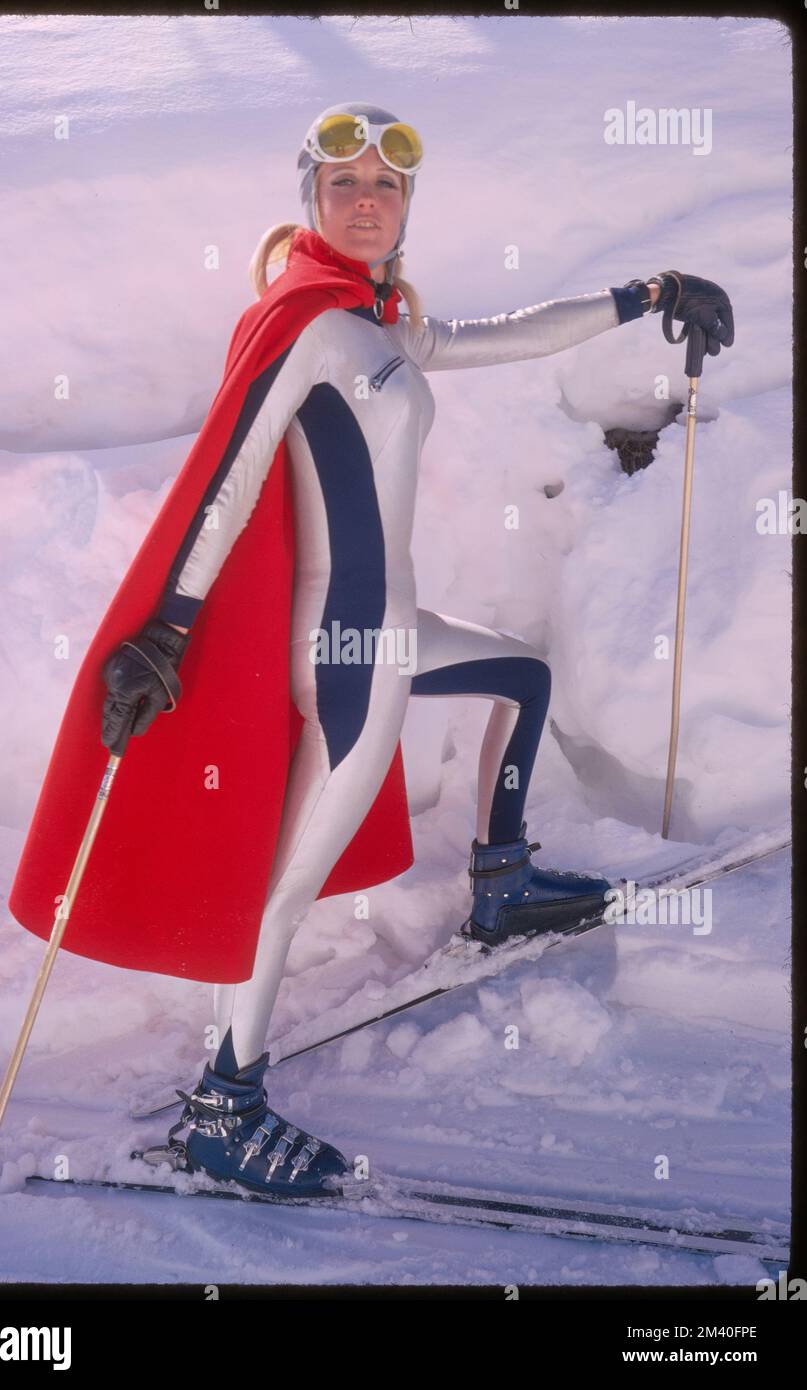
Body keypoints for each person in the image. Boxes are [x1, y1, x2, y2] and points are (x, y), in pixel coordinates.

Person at [99, 103, 734, 1198]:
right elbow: (229, 468)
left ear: (404, 208)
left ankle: (501, 882)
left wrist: (646, 296)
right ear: (308, 200)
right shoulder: (302, 319)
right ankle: (222, 1105)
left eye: (382, 187)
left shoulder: (376, 322)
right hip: (346, 648)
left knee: (517, 676)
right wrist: (170, 619)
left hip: (383, 630)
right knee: (285, 885)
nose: (362, 200)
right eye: (339, 183)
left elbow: (507, 334)